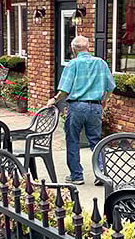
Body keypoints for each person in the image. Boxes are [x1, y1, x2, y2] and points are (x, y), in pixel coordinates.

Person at [47, 34, 115, 185]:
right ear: (88, 47)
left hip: (77, 106)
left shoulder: (73, 64)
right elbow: (111, 86)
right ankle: (101, 174)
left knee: (73, 140)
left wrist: (54, 100)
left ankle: (77, 176)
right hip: (96, 106)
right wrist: (104, 100)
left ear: (73, 49)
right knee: (95, 141)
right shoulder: (101, 63)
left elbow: (64, 90)